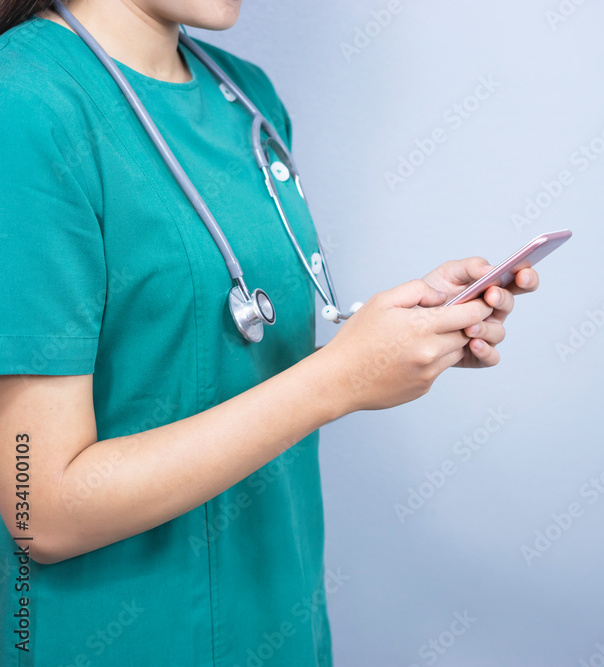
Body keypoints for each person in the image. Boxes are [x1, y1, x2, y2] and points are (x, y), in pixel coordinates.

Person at [0, 1, 539, 664]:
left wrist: (403, 339)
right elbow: (40, 508)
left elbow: (212, 366)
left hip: (279, 619)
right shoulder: (23, 102)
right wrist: (340, 380)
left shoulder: (246, 98)